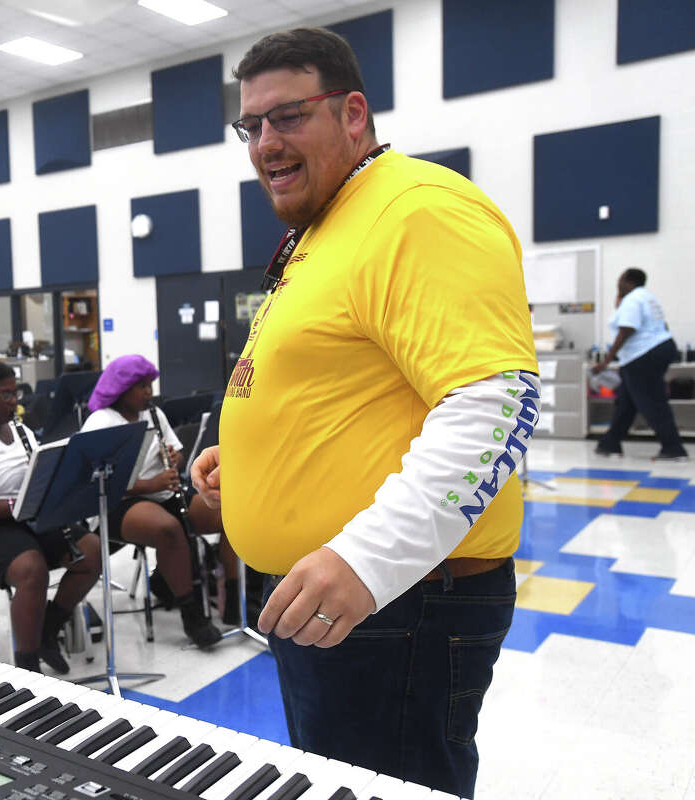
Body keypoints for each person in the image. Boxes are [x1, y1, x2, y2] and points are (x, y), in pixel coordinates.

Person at [189, 28, 540, 798]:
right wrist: (244, 462)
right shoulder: (325, 227)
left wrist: (367, 561)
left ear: (354, 114)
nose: (265, 143)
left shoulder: (415, 210)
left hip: (397, 607)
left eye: (288, 116)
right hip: (342, 609)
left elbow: (494, 398)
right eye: (250, 126)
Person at [0, 362, 101, 673]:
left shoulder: (21, 430)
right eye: (5, 394)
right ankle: (27, 666)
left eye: (16, 393)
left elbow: (36, 476)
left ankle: (48, 629)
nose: (14, 401)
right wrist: (20, 505)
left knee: (91, 552)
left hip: (23, 517)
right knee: (30, 569)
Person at [79, 355, 222, 648]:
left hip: (162, 493)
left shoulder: (153, 414)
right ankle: (191, 613)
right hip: (117, 502)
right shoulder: (102, 421)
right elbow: (95, 480)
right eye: (141, 387)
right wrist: (149, 484)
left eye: (150, 386)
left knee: (225, 512)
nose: (149, 392)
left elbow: (177, 453)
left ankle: (234, 599)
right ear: (121, 388)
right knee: (168, 529)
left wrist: (173, 457)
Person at [592, 268, 688, 461]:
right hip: (657, 349)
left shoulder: (633, 300)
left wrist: (606, 361)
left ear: (628, 281)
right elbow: (663, 327)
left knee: (653, 402)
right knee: (626, 402)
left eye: (620, 280)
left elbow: (626, 330)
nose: (617, 284)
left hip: (642, 355)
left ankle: (673, 448)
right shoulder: (647, 298)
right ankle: (610, 444)